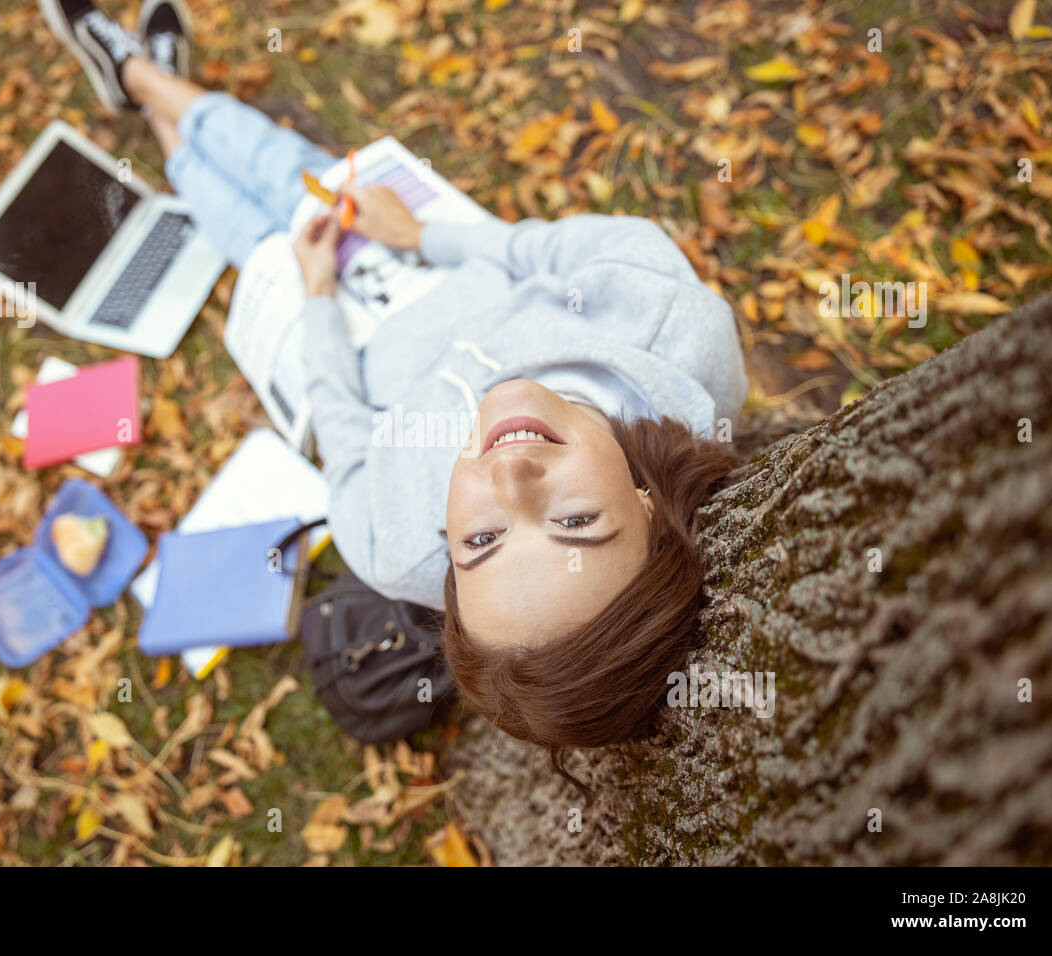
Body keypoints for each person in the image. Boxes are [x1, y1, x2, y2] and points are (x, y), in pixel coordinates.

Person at [39, 0, 749, 777]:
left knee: (236, 224)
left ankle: (142, 82)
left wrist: (313, 298)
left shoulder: (393, 544)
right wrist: (421, 237)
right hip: (422, 258)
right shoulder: (677, 333)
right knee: (279, 164)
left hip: (338, 329)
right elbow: (548, 249)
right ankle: (140, 73)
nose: (508, 474)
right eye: (574, 518)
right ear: (649, 507)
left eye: (480, 541)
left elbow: (343, 436)